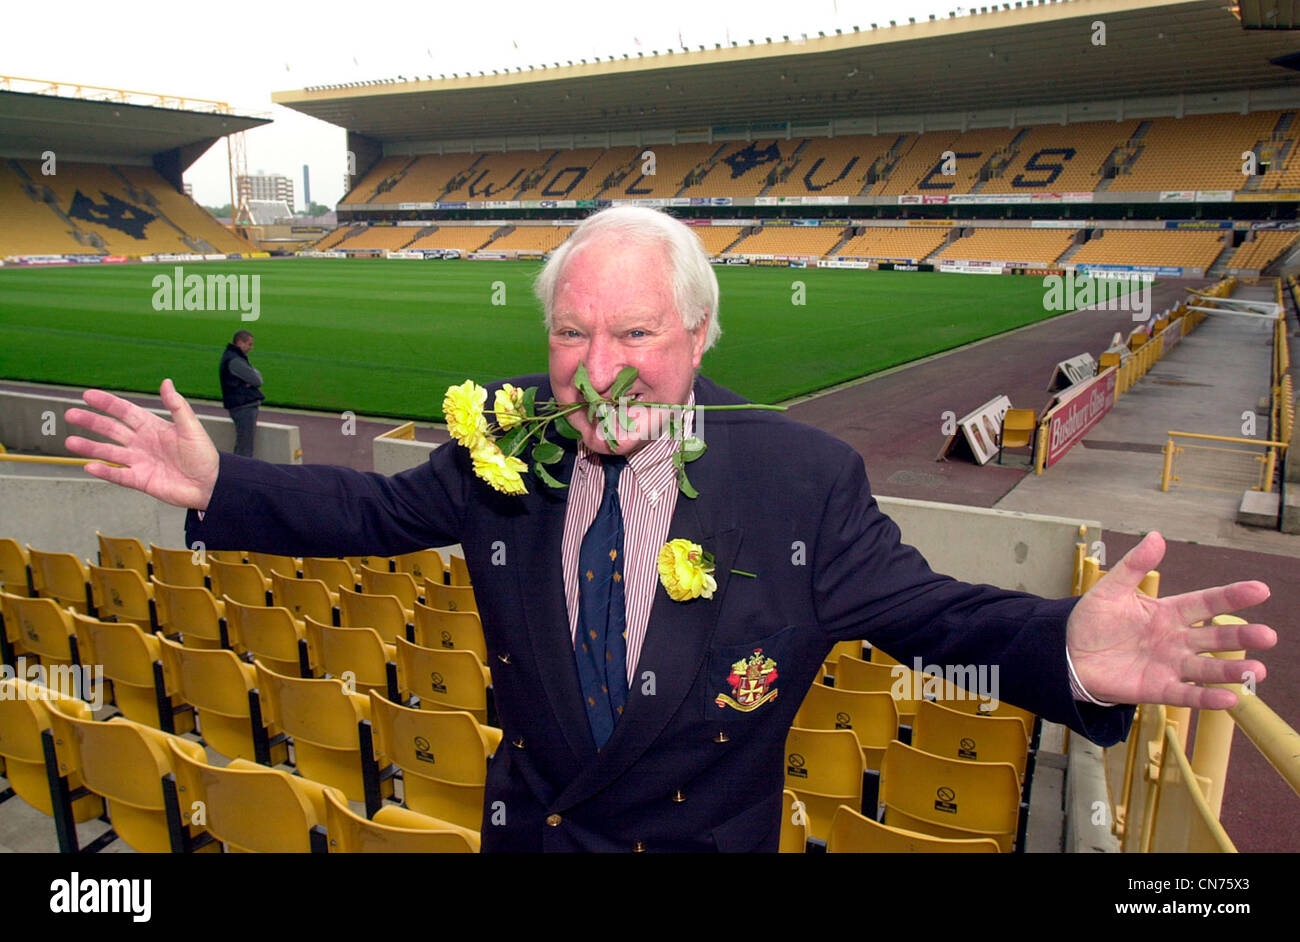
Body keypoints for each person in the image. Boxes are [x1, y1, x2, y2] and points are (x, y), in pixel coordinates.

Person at [63, 207, 1275, 853]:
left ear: (696, 339)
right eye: (571, 335)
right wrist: (220, 484)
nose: (596, 373)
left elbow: (932, 618)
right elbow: (374, 512)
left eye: (633, 336)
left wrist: (1069, 647)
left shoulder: (797, 479)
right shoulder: (515, 440)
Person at [220, 329, 263, 457]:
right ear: (240, 342)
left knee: (244, 443)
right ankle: (241, 472)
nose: (251, 347)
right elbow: (258, 379)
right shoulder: (235, 360)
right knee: (245, 446)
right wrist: (249, 380)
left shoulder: (233, 357)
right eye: (249, 344)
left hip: (240, 405)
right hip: (243, 407)